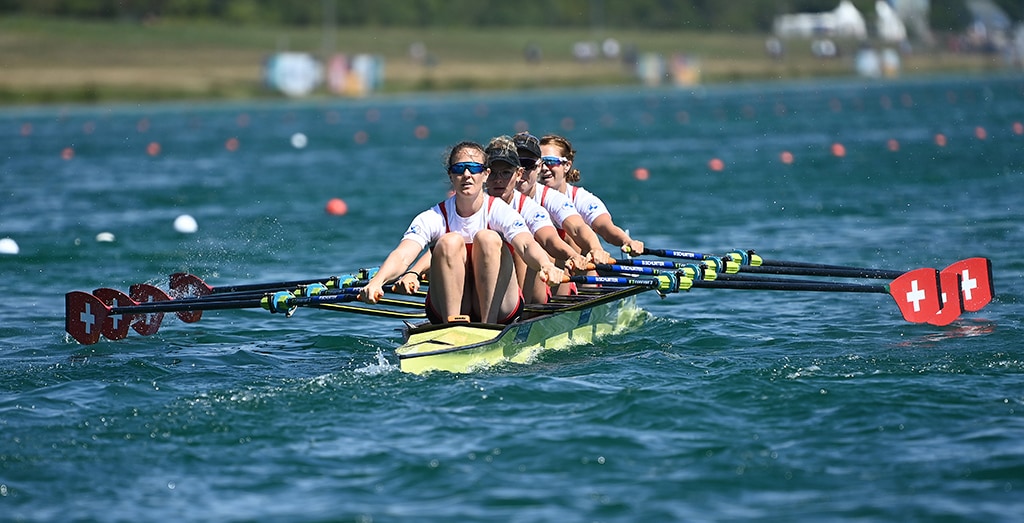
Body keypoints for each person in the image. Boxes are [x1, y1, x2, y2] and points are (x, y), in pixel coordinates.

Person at [358, 141, 564, 324]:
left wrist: (546, 265)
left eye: (474, 168)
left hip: (501, 308)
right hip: (451, 307)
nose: (466, 174)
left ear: (485, 175)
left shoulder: (501, 211)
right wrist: (378, 281)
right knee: (449, 241)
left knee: (487, 238)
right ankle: (451, 326)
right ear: (451, 175)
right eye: (459, 168)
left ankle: (488, 325)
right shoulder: (433, 216)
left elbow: (526, 244)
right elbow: (403, 255)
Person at [392, 136, 588, 305]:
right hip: (488, 290)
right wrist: (414, 272)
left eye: (505, 173)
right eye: (492, 173)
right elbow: (441, 247)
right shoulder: (472, 205)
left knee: (519, 246)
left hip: (530, 289)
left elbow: (548, 241)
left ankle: (522, 317)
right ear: (484, 175)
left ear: (517, 175)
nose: (498, 179)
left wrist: (573, 256)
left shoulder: (528, 207)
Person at [512, 131, 614, 265]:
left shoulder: (566, 198)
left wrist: (598, 248)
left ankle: (589, 284)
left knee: (566, 237)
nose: (521, 170)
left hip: (553, 264)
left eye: (528, 164)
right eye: (516, 164)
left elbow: (588, 228)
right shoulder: (491, 198)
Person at [537, 134, 644, 255]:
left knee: (571, 235)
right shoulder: (526, 197)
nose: (544, 168)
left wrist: (626, 240)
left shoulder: (581, 198)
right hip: (543, 264)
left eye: (550, 161)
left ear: (567, 166)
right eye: (540, 163)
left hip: (576, 266)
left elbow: (605, 227)